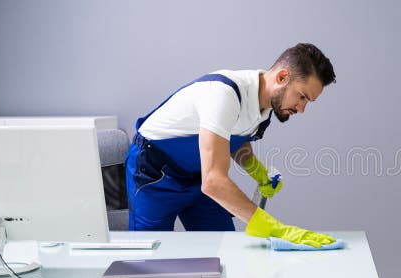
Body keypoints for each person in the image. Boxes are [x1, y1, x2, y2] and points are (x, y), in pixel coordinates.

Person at [125, 43, 336, 247]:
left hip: (197, 176)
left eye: (308, 101)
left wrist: (255, 169)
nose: (302, 109)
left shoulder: (266, 108)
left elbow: (233, 139)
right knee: (149, 262)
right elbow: (213, 181)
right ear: (282, 77)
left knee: (224, 251)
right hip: (154, 176)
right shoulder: (223, 94)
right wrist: (275, 228)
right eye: (302, 97)